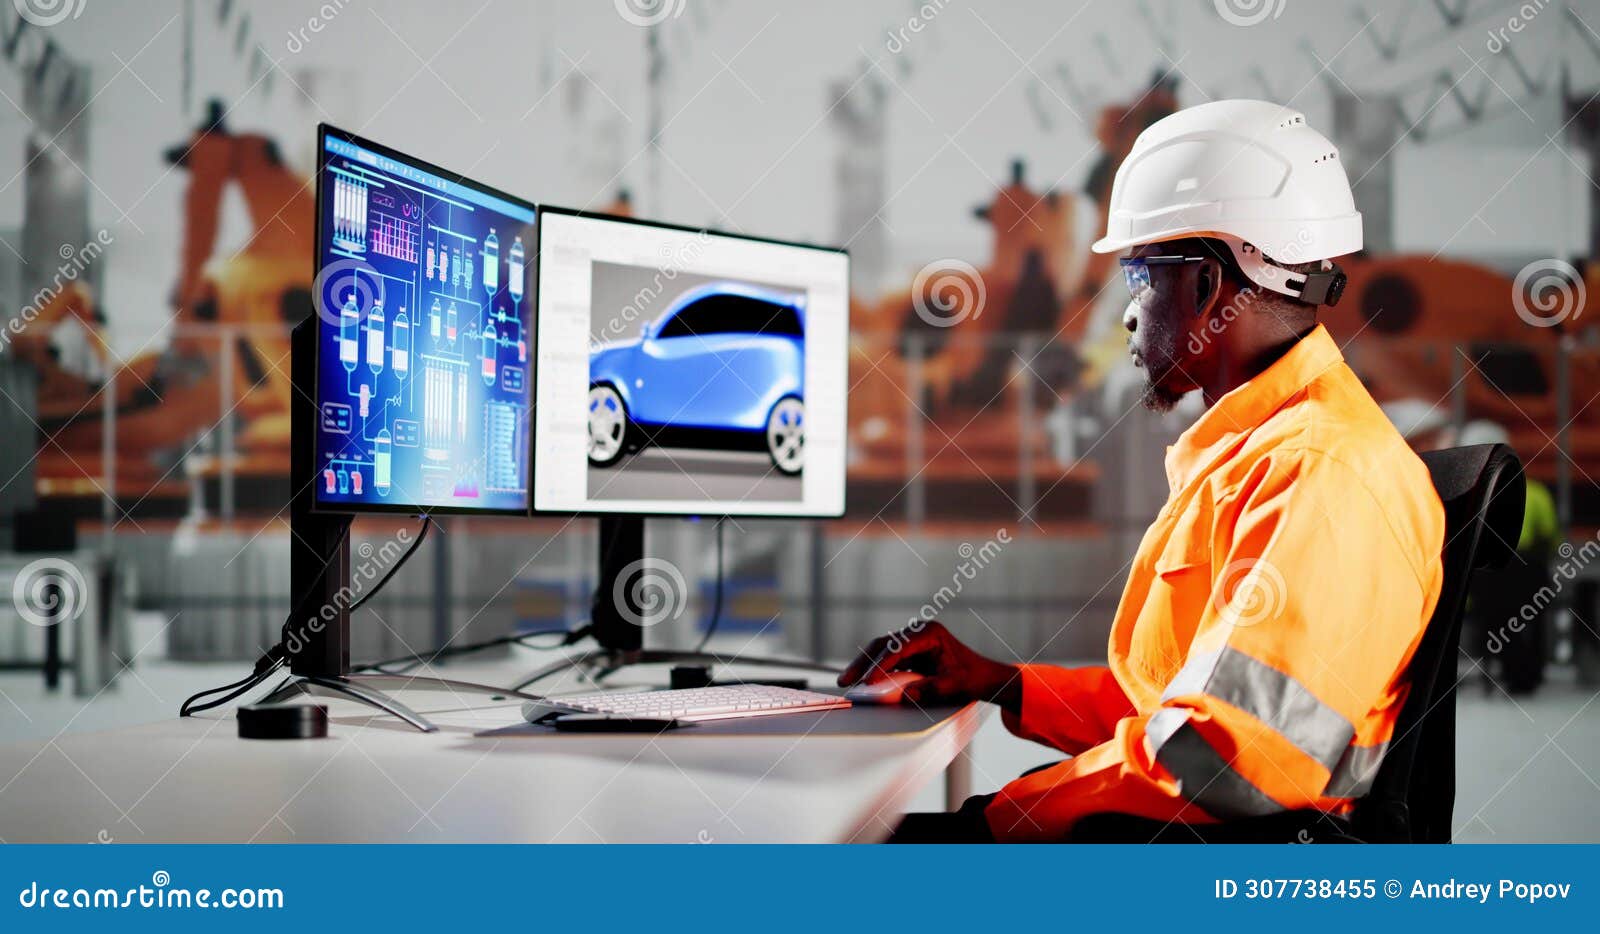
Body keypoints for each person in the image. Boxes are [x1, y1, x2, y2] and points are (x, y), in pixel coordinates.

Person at [841, 100, 1447, 842]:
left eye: (1138, 275)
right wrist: (1003, 681)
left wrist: (999, 822)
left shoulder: (1317, 472)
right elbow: (1173, 712)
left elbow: (1228, 762)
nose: (1126, 314)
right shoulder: (1253, 453)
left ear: (1204, 285)